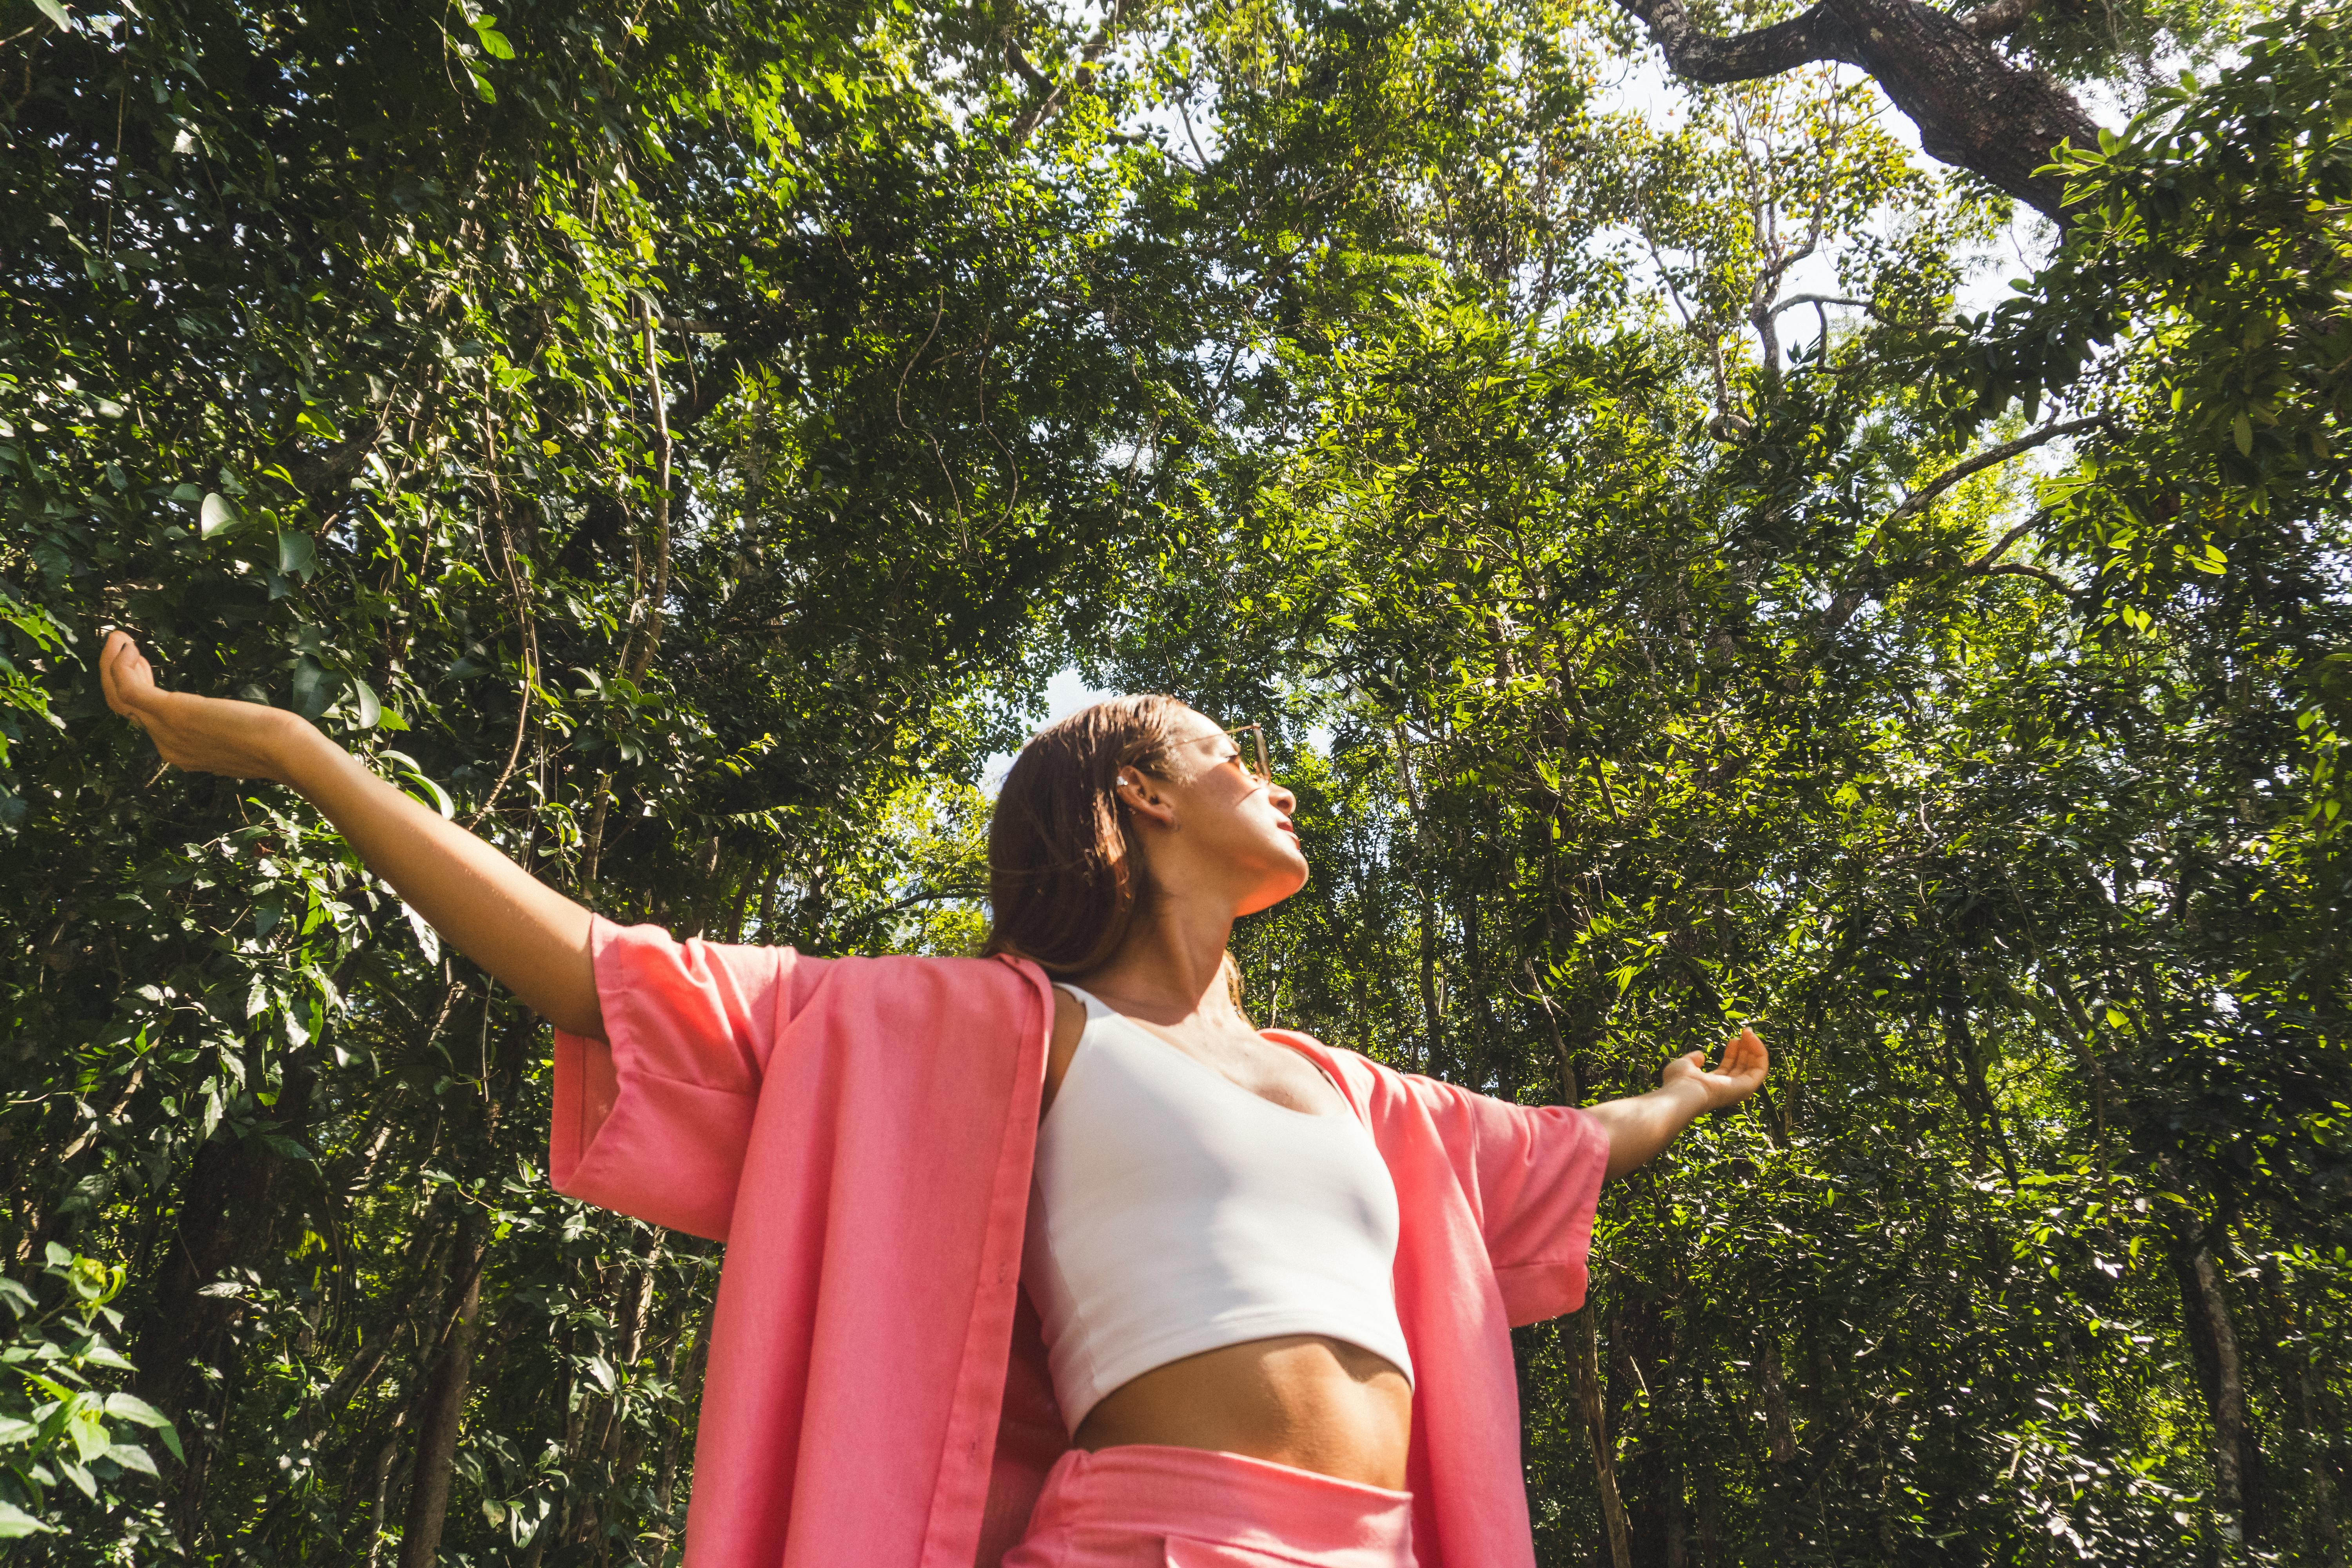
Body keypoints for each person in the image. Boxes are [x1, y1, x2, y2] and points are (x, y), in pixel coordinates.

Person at [100, 630, 1768, 1568]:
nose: (1275, 770)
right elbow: (609, 971)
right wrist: (305, 754)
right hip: (1160, 1547)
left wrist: (1679, 1095)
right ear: (1142, 791)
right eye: (1232, 751)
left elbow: (1563, 1149)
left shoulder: (1366, 1099)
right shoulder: (1000, 1034)